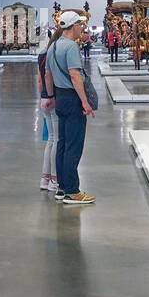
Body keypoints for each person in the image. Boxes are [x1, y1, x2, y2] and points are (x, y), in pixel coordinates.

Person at [46, 11, 96, 205]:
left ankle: (62, 187)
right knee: (74, 146)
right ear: (73, 26)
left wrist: (50, 96)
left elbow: (48, 74)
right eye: (80, 26)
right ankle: (73, 192)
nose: (81, 29)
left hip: (60, 98)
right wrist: (84, 102)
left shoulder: (53, 46)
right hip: (73, 99)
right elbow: (75, 76)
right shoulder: (71, 47)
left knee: (62, 144)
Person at [35, 28, 60, 192]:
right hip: (53, 99)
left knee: (51, 139)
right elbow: (49, 77)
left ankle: (45, 179)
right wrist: (51, 96)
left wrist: (42, 98)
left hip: (44, 99)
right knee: (57, 139)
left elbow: (39, 80)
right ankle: (54, 180)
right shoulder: (54, 54)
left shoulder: (42, 54)